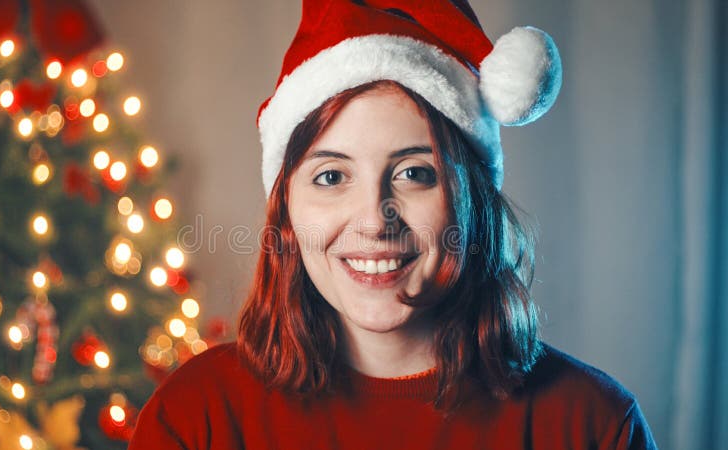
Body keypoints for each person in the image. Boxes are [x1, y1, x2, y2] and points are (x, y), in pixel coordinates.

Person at [129, 1, 658, 449]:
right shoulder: (194, 418)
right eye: (331, 176)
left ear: (471, 198)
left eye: (414, 173)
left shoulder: (593, 425)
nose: (373, 219)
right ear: (286, 209)